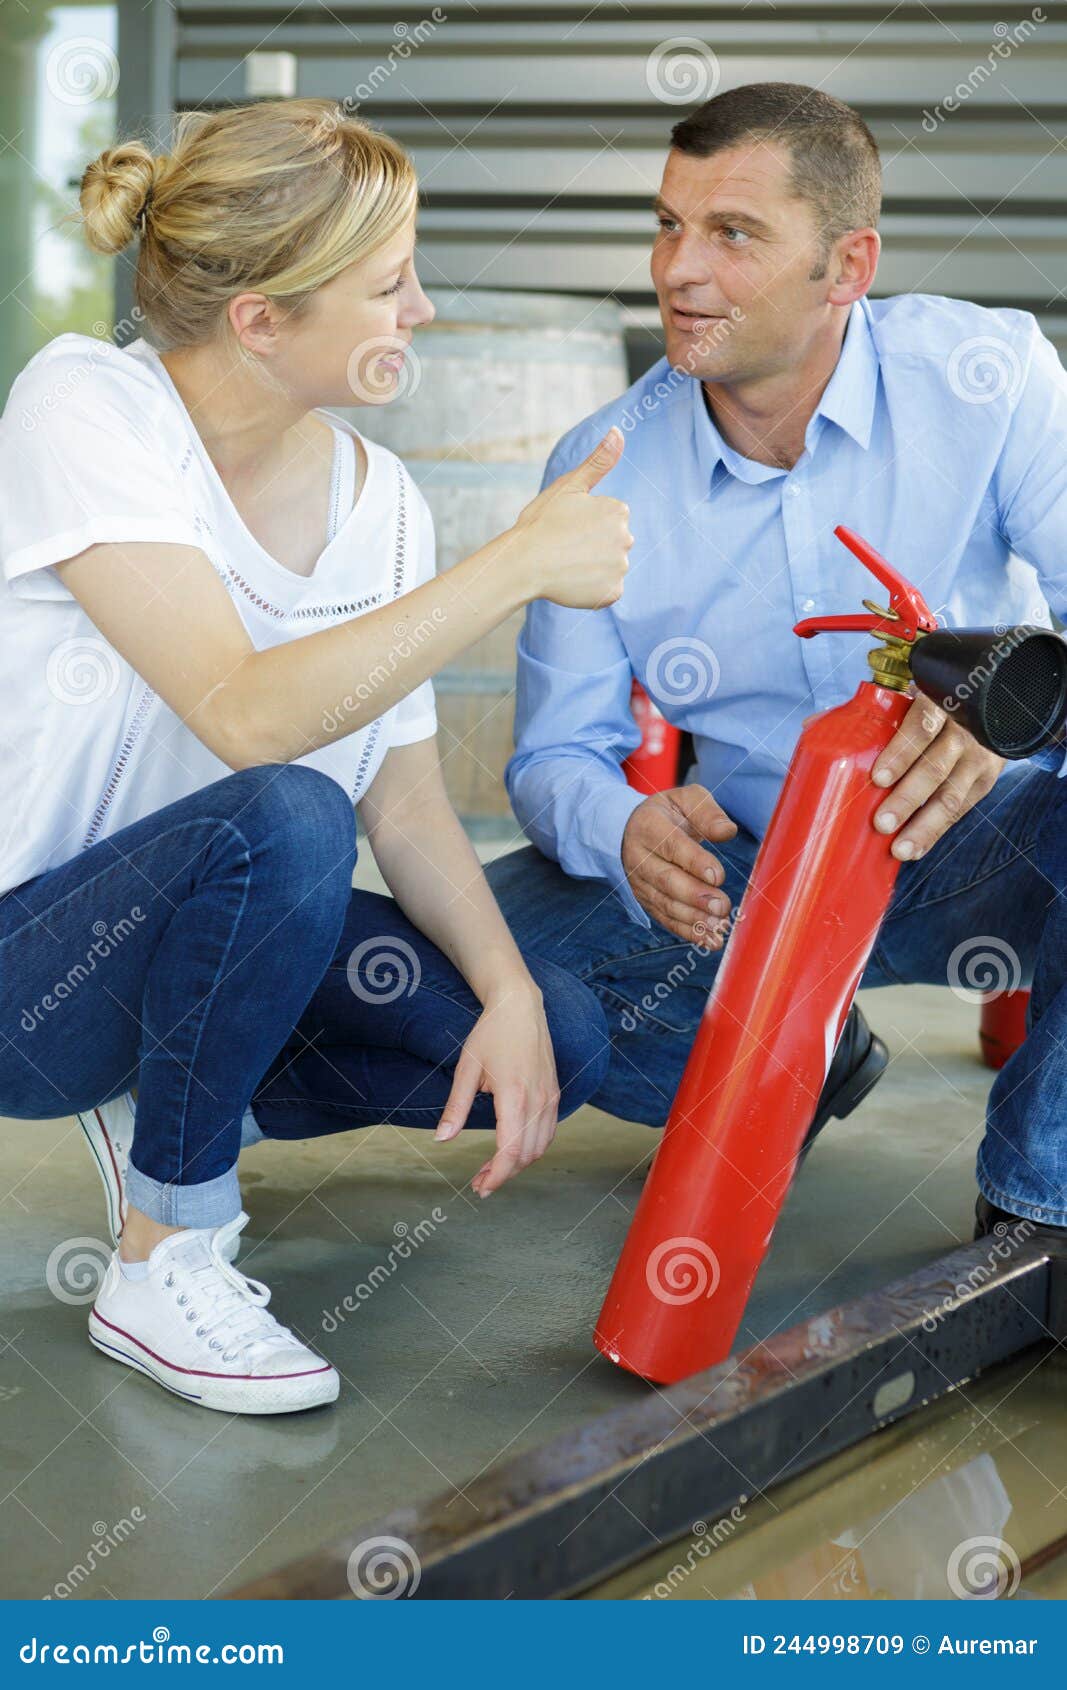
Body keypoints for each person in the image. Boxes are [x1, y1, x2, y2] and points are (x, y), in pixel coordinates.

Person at [0, 99, 633, 1415]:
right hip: (34, 977)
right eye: (389, 284)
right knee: (284, 811)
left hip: (214, 946)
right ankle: (166, 1249)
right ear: (262, 320)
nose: (422, 312)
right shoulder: (84, 404)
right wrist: (511, 565)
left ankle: (180, 1107)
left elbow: (403, 804)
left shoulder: (378, 502)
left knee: (555, 1032)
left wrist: (509, 988)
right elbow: (243, 711)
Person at [484, 81, 1067, 1247]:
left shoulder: (987, 380)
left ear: (845, 267)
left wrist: (1007, 711)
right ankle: (809, 1044)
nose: (677, 271)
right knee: (464, 966)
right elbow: (555, 754)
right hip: (742, 885)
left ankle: (1036, 1207)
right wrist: (619, 828)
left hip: (982, 853)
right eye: (666, 224)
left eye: (732, 234)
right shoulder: (597, 468)